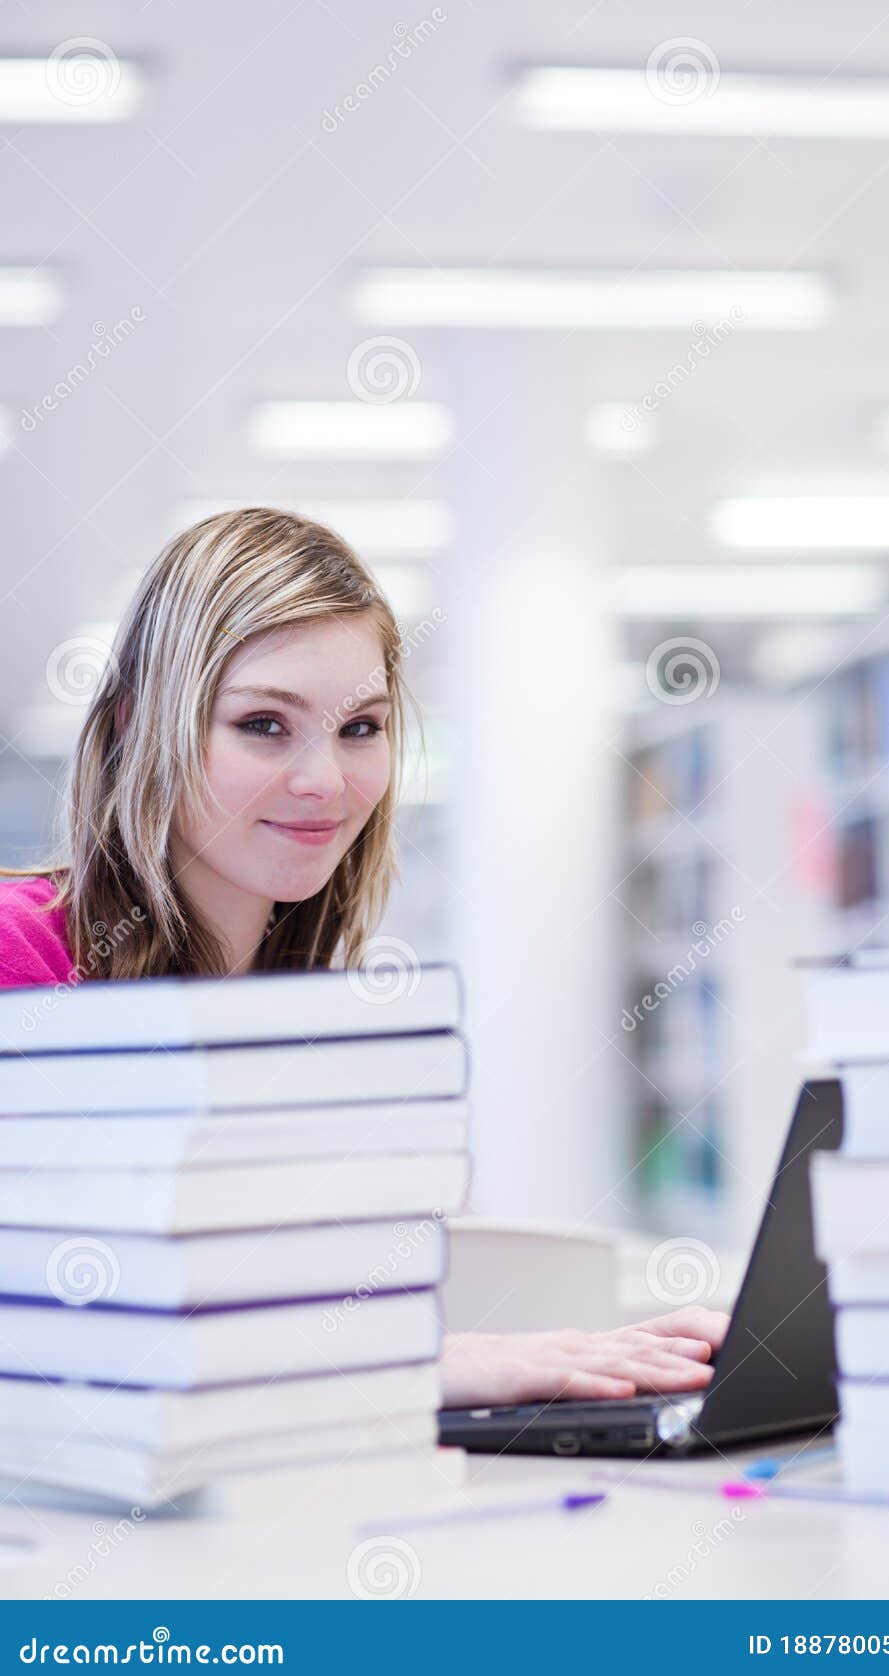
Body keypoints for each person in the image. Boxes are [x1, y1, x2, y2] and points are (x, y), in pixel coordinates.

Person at [0, 507, 727, 1407]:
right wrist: (420, 1367)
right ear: (129, 731)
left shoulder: (303, 1004)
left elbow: (281, 1325)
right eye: (264, 724)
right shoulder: (21, 955)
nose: (324, 783)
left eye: (361, 728)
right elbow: (55, 1338)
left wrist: (516, 1360)